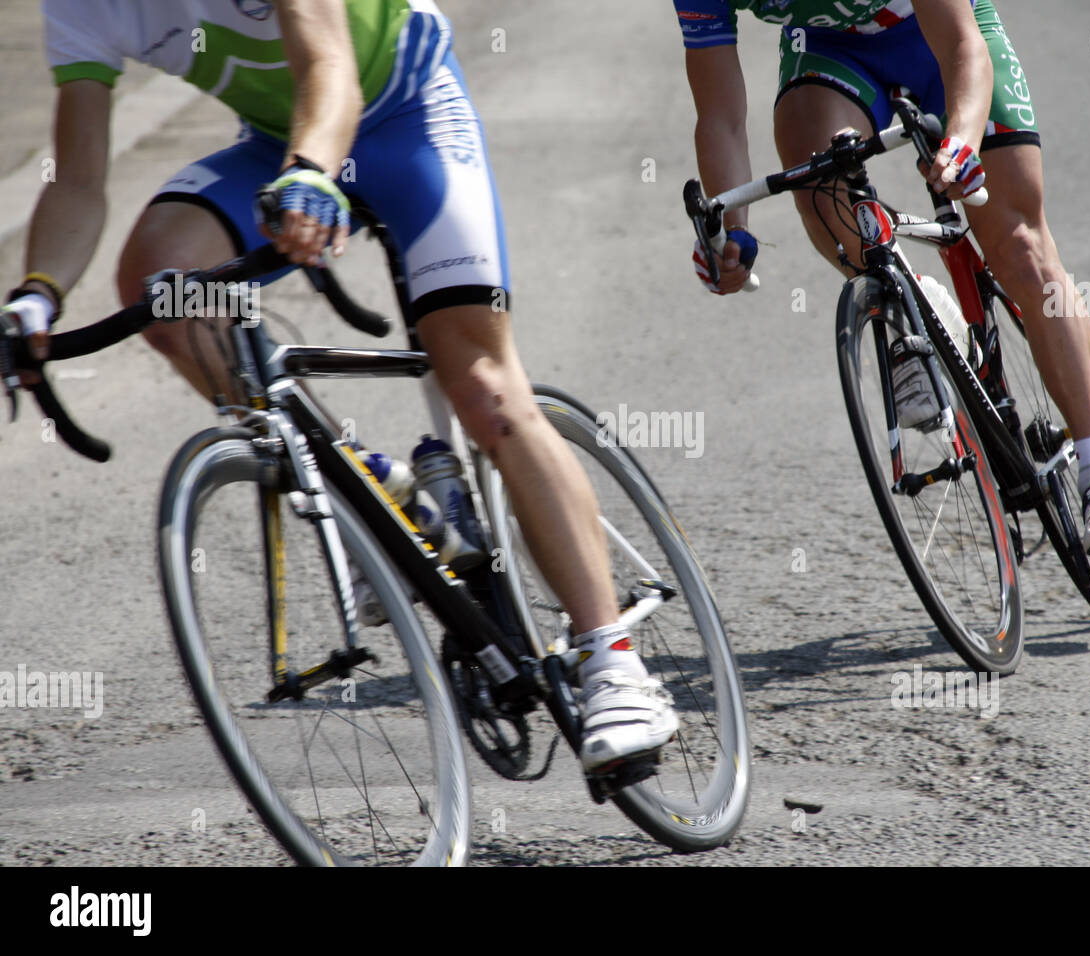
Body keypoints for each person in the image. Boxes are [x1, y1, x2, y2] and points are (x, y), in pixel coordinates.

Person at [2, 0, 675, 775]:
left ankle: (614, 662)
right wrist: (36, 296)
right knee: (162, 286)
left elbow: (330, 67)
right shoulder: (81, 8)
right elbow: (79, 178)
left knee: (485, 388)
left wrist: (315, 173)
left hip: (405, 116)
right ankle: (369, 489)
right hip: (279, 147)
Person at [674, 0, 1090, 556]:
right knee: (817, 177)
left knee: (1019, 246)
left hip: (942, 37)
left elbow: (962, 47)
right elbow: (720, 115)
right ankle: (912, 310)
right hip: (832, 51)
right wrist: (732, 229)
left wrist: (963, 143)